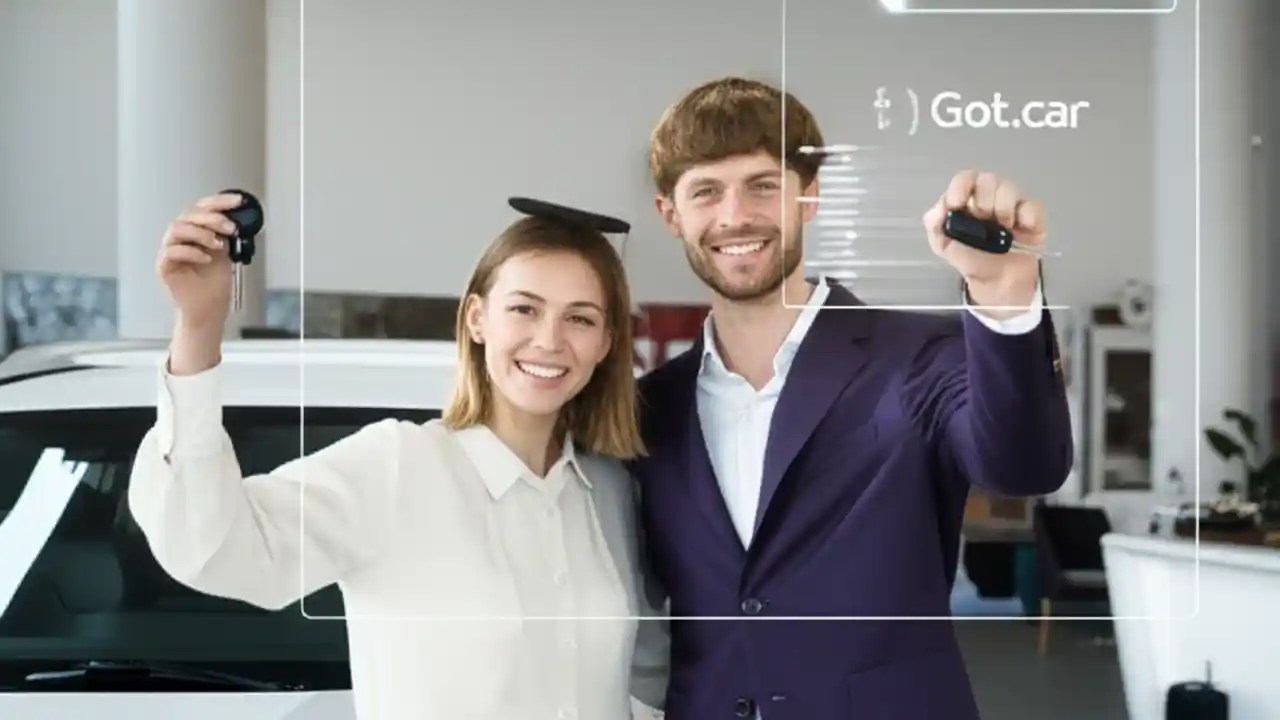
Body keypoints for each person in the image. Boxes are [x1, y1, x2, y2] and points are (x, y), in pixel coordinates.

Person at [629, 77, 1073, 719]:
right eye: (706, 191)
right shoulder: (648, 410)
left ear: (807, 196)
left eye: (762, 185)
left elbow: (1024, 467)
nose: (734, 217)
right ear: (671, 214)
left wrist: (1005, 293)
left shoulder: (920, 356)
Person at [127, 192, 668, 719]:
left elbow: (647, 676)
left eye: (580, 318)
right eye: (525, 308)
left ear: (606, 342)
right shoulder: (396, 466)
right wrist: (199, 326)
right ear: (477, 319)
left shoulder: (610, 489)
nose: (549, 340)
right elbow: (217, 549)